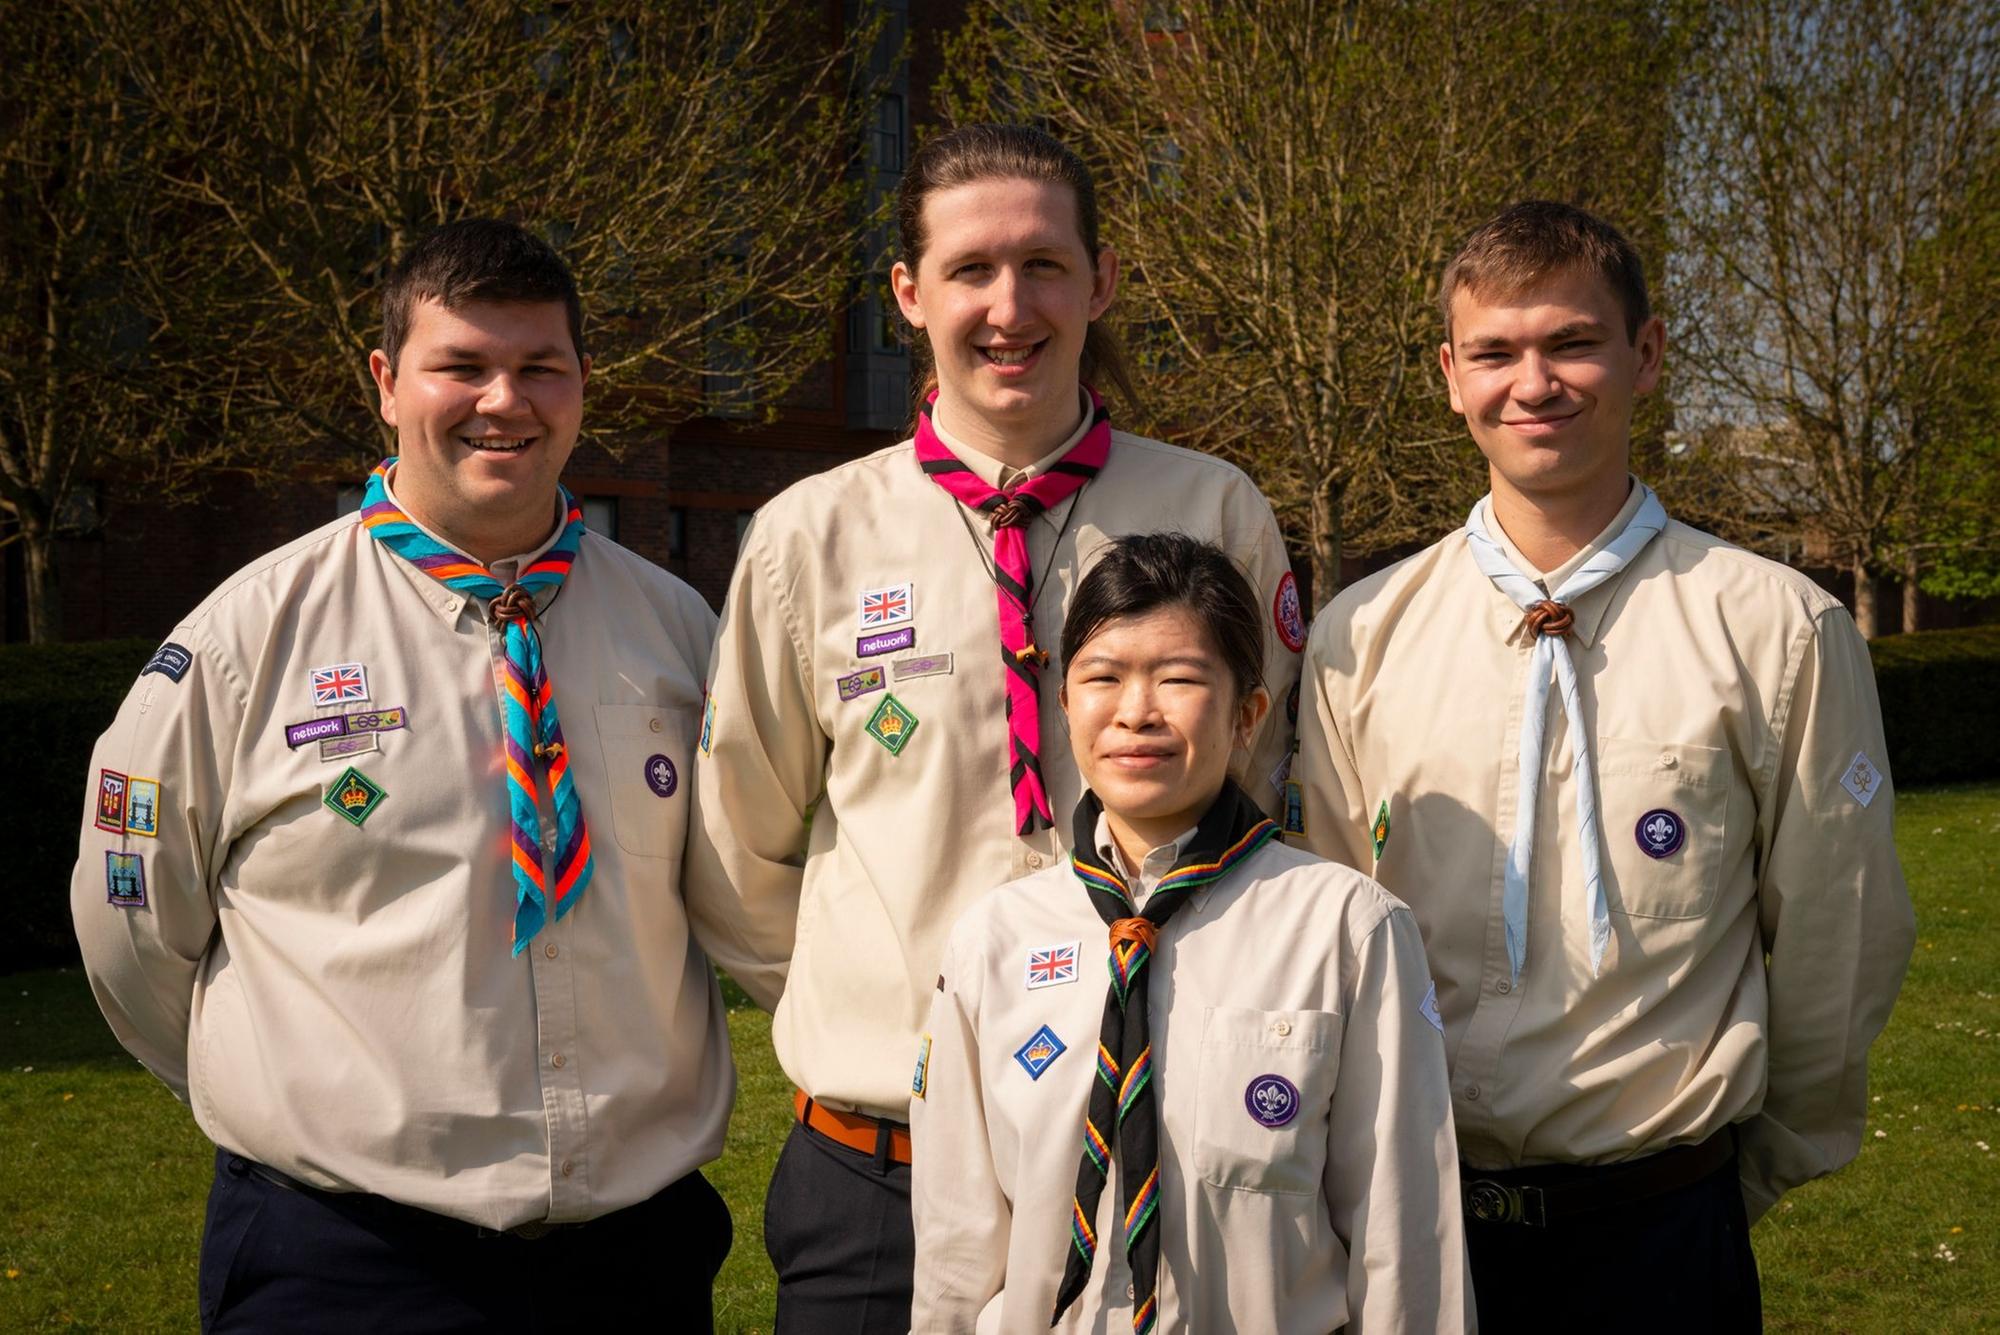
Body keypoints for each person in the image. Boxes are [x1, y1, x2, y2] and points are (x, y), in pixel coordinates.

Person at [685, 125, 1303, 1333]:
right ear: (909, 296)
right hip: (881, 1173)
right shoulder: (809, 536)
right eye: (969, 270)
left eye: (1043, 265)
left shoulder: (1213, 509)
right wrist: (896, 1014)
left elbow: (1261, 801)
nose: (1007, 306)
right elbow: (736, 844)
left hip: (1157, 1152)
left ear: (1100, 283)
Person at [70, 219, 734, 1333]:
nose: (502, 400)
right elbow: (128, 920)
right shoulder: (246, 640)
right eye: (460, 366)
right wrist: (275, 1088)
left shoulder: (675, 630)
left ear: (581, 384)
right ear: (385, 382)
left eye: (538, 367)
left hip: (634, 1262)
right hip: (343, 1262)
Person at [1293, 200, 1915, 1330]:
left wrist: (1745, 1170)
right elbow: (1329, 934)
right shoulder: (1358, 634)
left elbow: (1842, 934)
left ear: (1646, 353)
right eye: (1493, 352)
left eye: (1571, 342)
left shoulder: (1776, 630)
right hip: (1416, 1235)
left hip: (1663, 1232)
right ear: (1449, 374)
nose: (1532, 383)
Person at [909, 532, 1471, 1334]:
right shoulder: (993, 940)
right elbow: (955, 1241)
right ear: (1063, 704)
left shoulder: (1347, 928)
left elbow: (1405, 1234)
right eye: (1102, 677)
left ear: (1248, 713)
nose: (1136, 712)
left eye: (1177, 679)